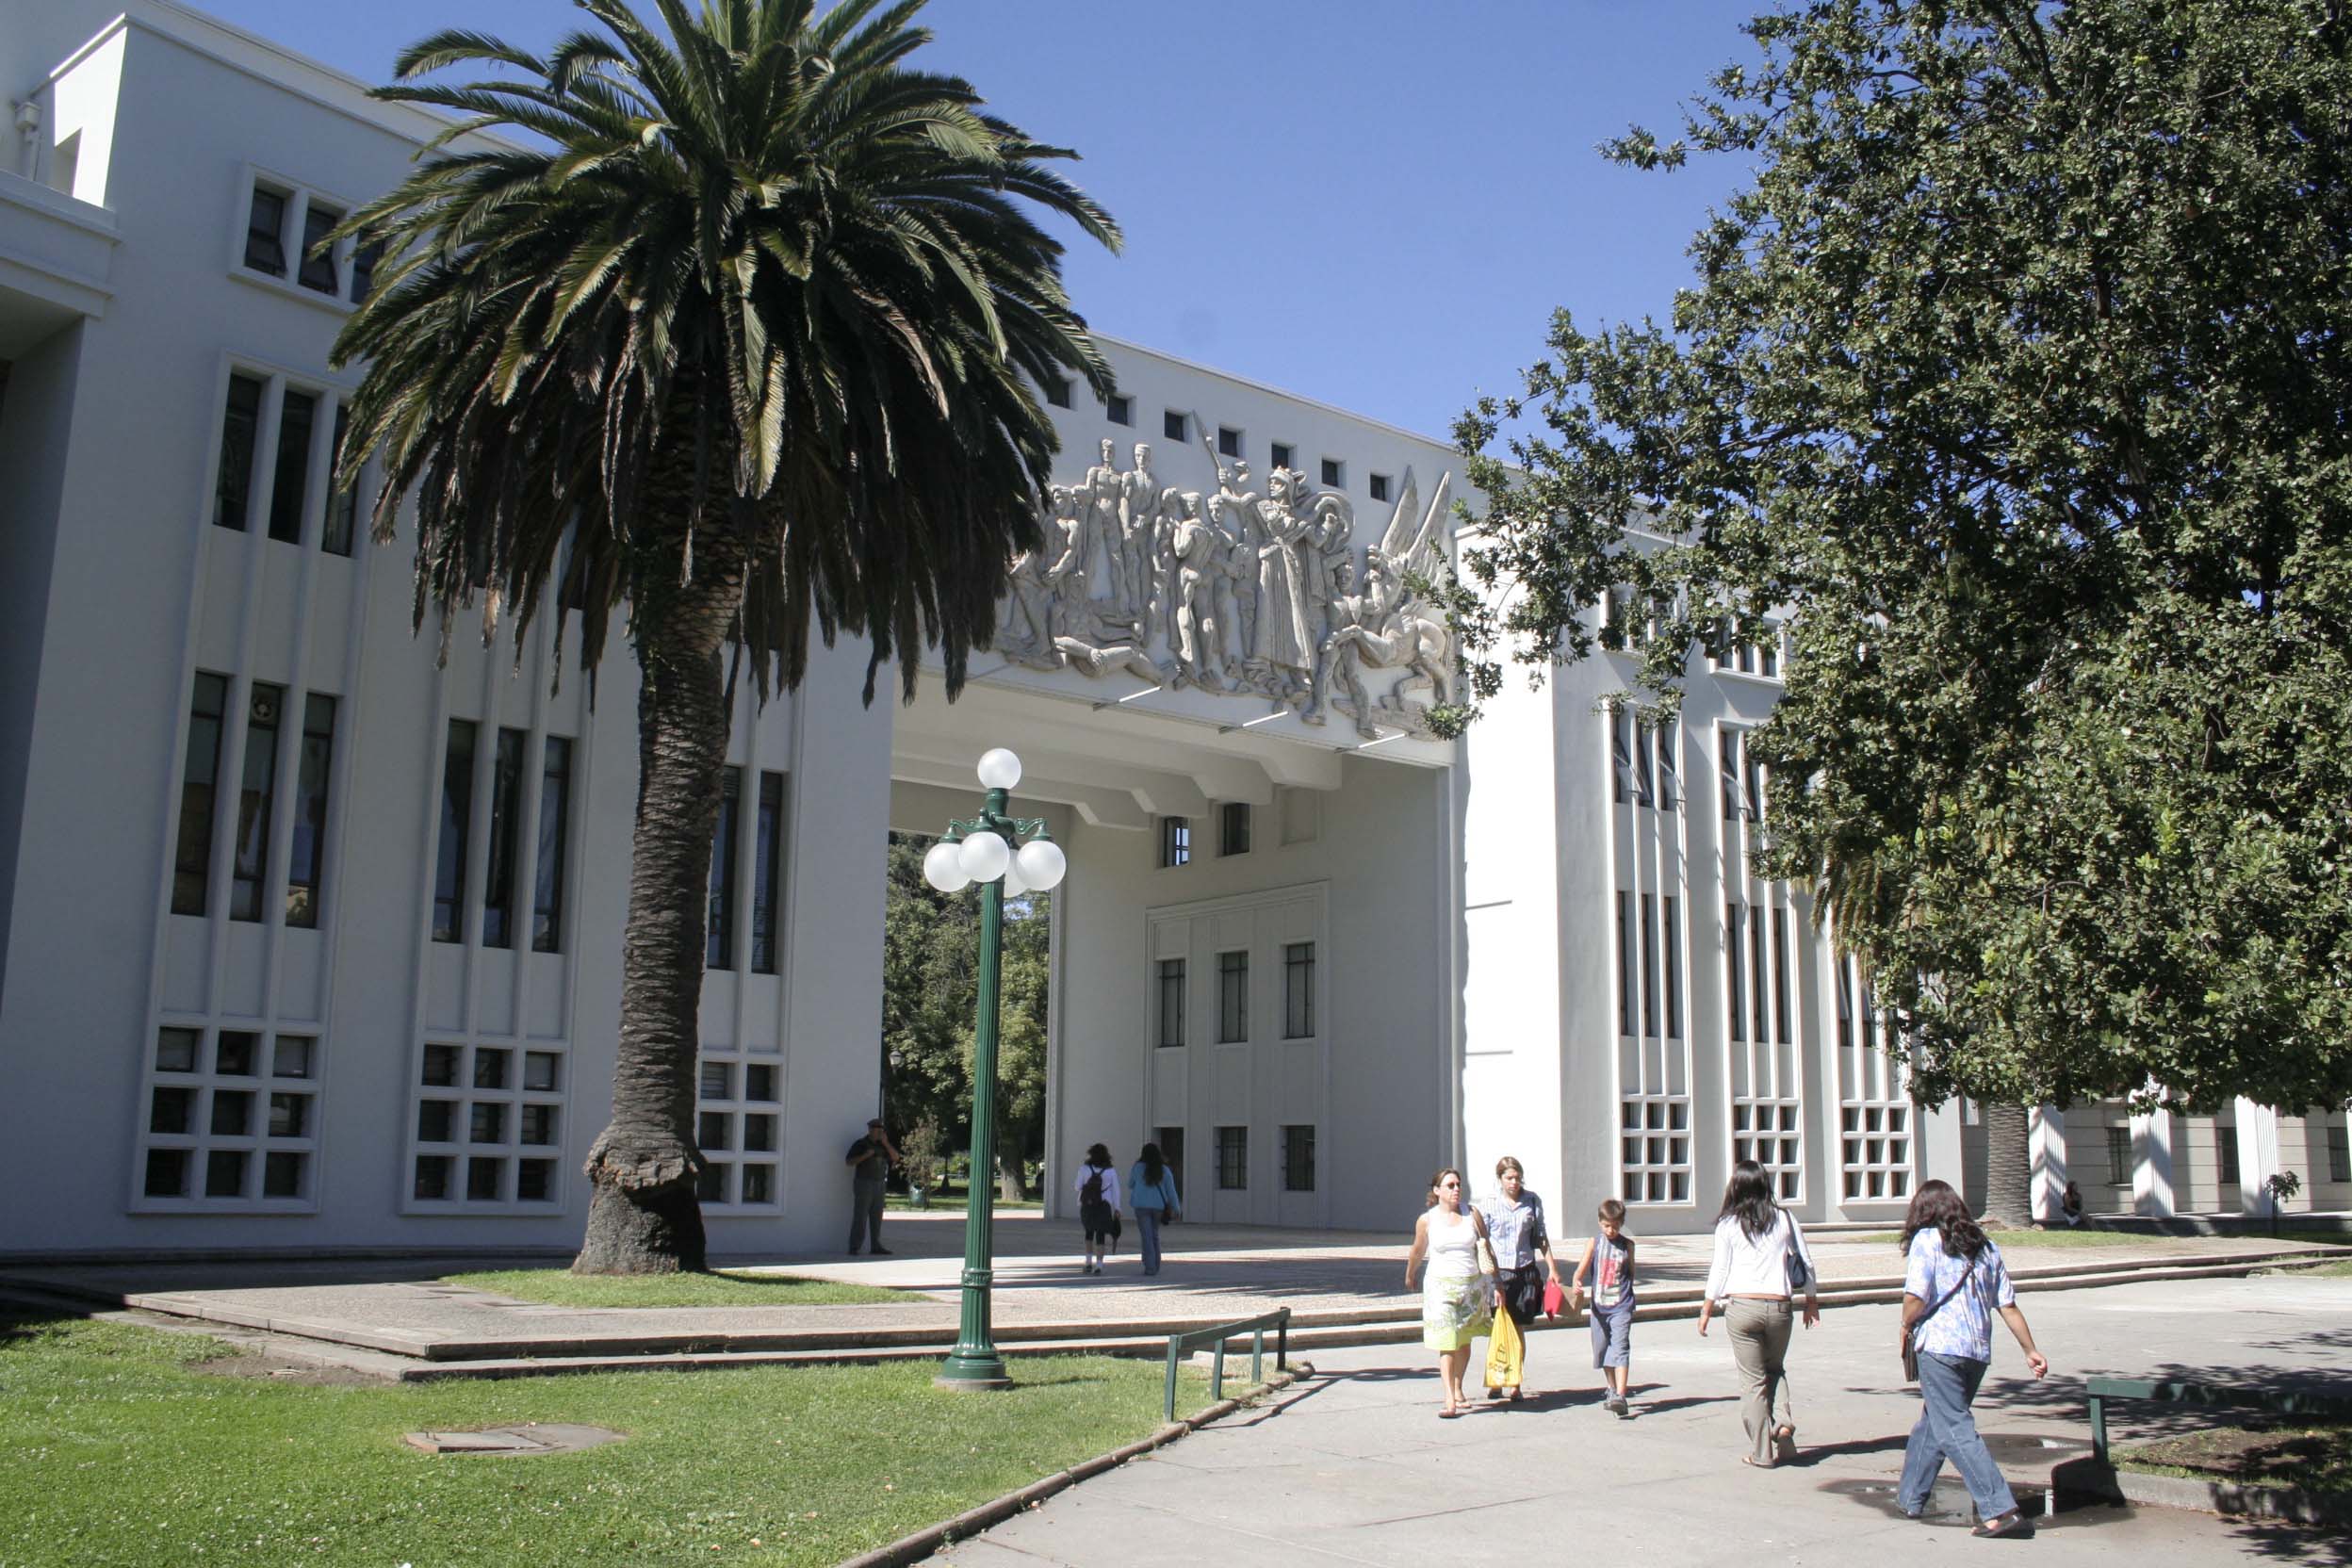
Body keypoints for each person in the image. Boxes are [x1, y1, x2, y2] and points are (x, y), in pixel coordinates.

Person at [1896, 1179, 2050, 1537]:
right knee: (1934, 1422)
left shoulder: (1927, 1241)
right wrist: (2030, 1349)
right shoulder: (1987, 1247)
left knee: (1953, 1428)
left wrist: (1905, 1324)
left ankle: (2001, 1510)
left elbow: (1916, 1296)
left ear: (1923, 1211)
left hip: (1940, 1349)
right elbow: (2007, 1304)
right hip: (1977, 1351)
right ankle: (1910, 1498)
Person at [1698, 1159, 1821, 1466]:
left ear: (1736, 1187)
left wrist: (1707, 1306)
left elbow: (1720, 1268)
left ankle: (1762, 1451)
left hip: (1742, 1306)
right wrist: (1812, 1301)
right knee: (1775, 1368)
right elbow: (1806, 1262)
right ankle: (1783, 1423)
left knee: (1752, 1381)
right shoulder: (1785, 1219)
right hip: (1779, 1305)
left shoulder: (1728, 1224)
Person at [1404, 1168, 1498, 1419]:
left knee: (1464, 1340)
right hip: (1440, 1286)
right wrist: (1410, 1274)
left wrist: (1497, 1283)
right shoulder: (1427, 1219)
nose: (1456, 1189)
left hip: (1471, 1285)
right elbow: (1417, 1249)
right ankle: (1449, 1398)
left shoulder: (1472, 1213)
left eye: (1458, 1185)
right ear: (1437, 1191)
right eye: (1450, 1185)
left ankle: (1458, 1387)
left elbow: (1486, 1246)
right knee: (1447, 1342)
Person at [1478, 1155, 1560, 1402]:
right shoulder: (1489, 1203)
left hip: (1524, 1269)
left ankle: (1515, 1381)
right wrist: (1485, 1275)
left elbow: (1541, 1237)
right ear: (1500, 1179)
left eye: (1517, 1178)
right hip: (1499, 1272)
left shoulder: (1532, 1201)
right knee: (1498, 1328)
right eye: (1508, 1178)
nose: (1513, 1183)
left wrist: (1553, 1268)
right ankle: (1496, 1380)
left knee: (1518, 1328)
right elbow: (1482, 1241)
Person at [1571, 1196, 1638, 1415]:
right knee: (1602, 1350)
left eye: (1616, 1226)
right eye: (1607, 1225)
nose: (1611, 1230)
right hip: (1599, 1307)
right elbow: (1580, 1271)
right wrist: (1577, 1283)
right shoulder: (1595, 1243)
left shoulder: (1628, 1245)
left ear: (1622, 1223)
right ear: (1600, 1223)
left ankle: (1621, 1395)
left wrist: (1629, 1301)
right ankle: (1611, 1387)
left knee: (1620, 1347)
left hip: (1621, 1306)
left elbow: (1631, 1274)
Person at [843, 1118, 897, 1256]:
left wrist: (886, 1143)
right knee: (860, 1216)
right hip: (864, 1183)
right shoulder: (861, 1144)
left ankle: (876, 1245)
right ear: (870, 1130)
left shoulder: (883, 1145)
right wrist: (865, 1156)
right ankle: (854, 1246)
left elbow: (896, 1157)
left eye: (881, 1130)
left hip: (879, 1183)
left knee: (877, 1216)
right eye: (877, 1129)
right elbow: (849, 1162)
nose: (879, 1132)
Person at [1127, 1142, 1182, 1276]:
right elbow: (1171, 1191)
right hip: (1158, 1207)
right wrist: (1177, 1208)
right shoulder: (1164, 1170)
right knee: (1154, 1235)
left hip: (1141, 1206)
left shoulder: (1137, 1168)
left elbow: (1130, 1184)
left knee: (1146, 1236)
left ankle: (1150, 1265)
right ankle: (1155, 1264)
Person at [1073, 1142, 1122, 1274]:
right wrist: (1117, 1208)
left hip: (1088, 1204)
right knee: (1100, 1234)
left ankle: (1088, 1262)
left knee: (1089, 1232)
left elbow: (1077, 1187)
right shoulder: (1110, 1171)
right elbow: (1116, 1190)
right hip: (1104, 1205)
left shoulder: (1084, 1169)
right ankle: (1099, 1265)